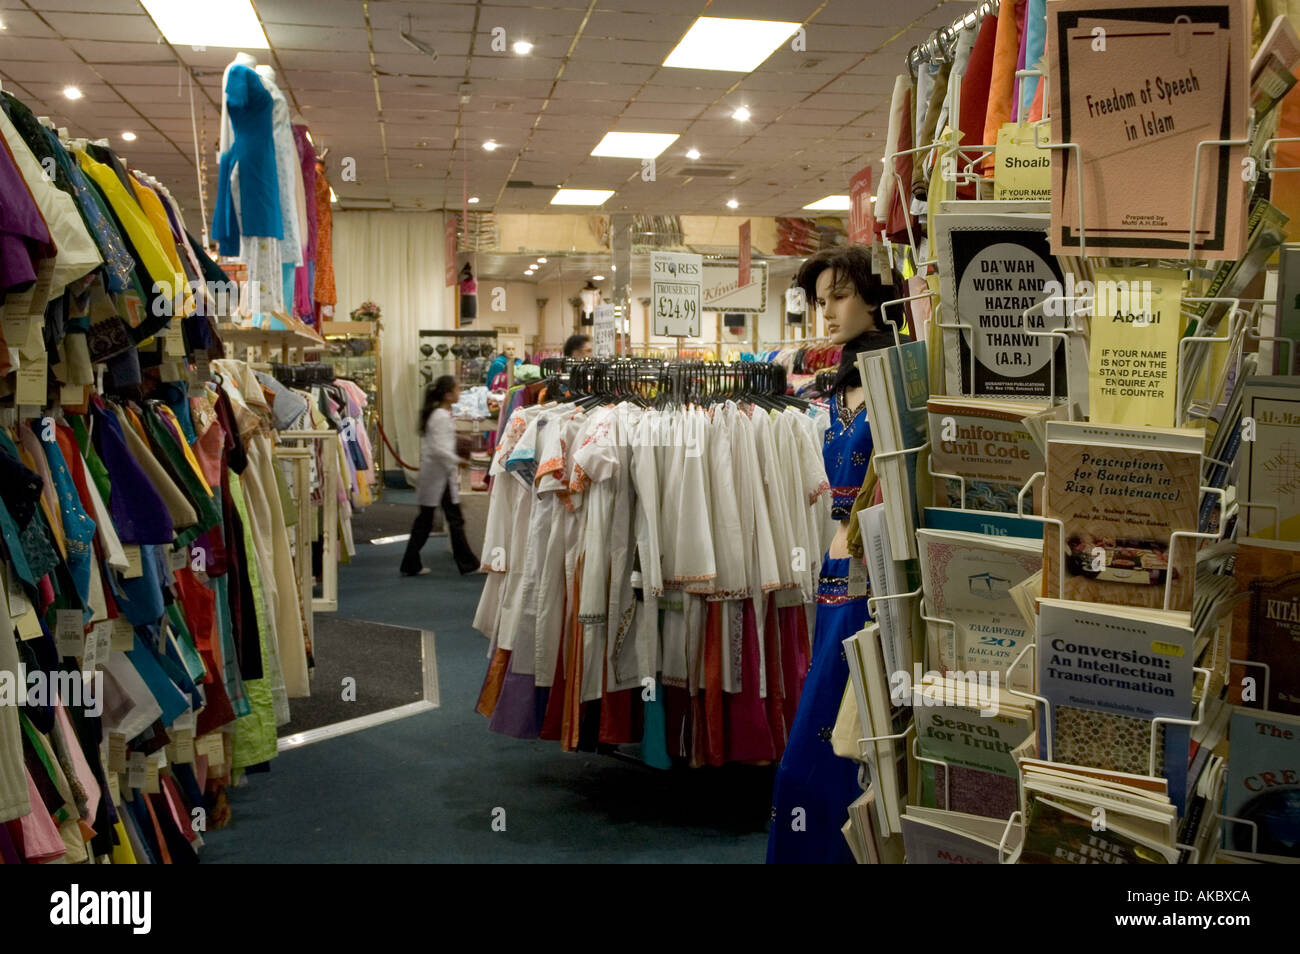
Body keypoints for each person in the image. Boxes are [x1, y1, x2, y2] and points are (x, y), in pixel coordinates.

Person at [767, 244, 906, 864]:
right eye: (820, 301)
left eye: (840, 297)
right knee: (830, 722)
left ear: (876, 296)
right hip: (829, 575)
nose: (826, 312)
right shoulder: (832, 386)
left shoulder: (902, 377)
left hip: (880, 580)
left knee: (850, 732)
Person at [401, 375, 480, 577]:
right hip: (438, 474)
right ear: (447, 394)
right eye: (457, 389)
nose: (459, 392)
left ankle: (411, 563)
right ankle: (467, 563)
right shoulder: (440, 416)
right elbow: (438, 448)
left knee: (431, 520)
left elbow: (439, 446)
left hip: (438, 473)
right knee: (448, 520)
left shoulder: (440, 414)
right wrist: (458, 460)